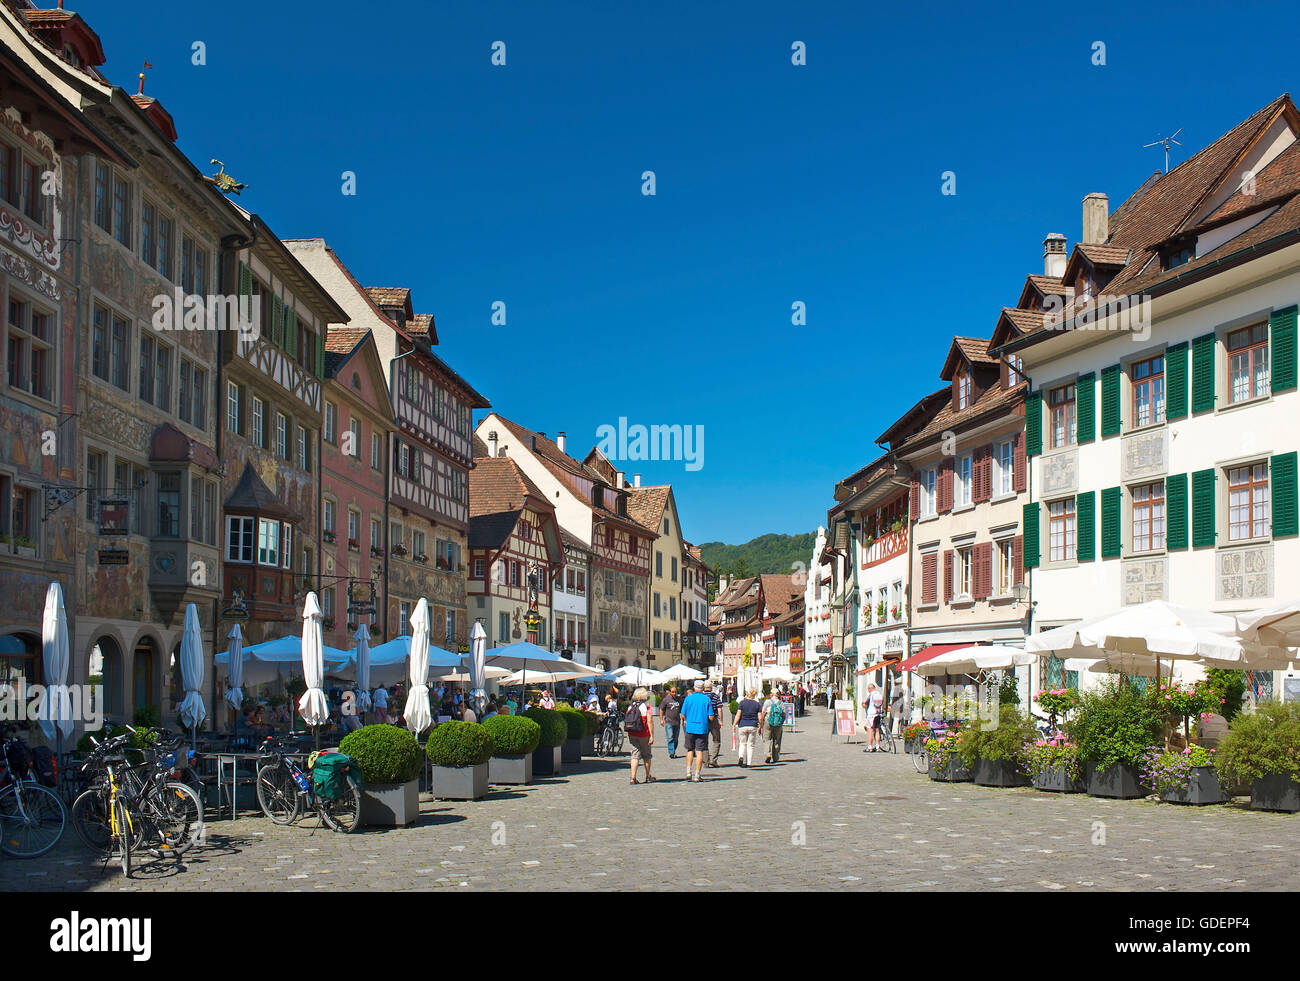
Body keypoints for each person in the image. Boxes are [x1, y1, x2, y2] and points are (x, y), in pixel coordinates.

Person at [680, 680, 714, 782]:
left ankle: (688, 772)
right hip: (702, 728)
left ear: (694, 687)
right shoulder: (706, 699)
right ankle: (697, 775)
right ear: (703, 688)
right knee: (699, 751)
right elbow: (711, 717)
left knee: (690, 750)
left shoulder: (688, 698)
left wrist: (686, 719)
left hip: (690, 727)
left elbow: (682, 714)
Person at [626, 688, 655, 784]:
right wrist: (651, 735)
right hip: (643, 733)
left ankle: (633, 777)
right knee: (646, 755)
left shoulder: (630, 706)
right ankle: (647, 776)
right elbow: (649, 721)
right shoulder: (646, 706)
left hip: (632, 733)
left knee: (634, 755)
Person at [732, 687, 763, 767]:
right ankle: (749, 762)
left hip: (742, 724)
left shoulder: (742, 703)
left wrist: (734, 724)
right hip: (753, 725)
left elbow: (738, 715)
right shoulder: (757, 704)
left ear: (747, 693)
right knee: (751, 744)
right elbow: (760, 717)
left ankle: (741, 756)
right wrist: (761, 726)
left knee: (742, 743)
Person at [762, 688, 786, 764]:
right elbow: (784, 714)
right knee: (777, 740)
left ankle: (767, 754)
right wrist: (781, 722)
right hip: (778, 723)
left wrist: (761, 722)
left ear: (772, 694)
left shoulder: (767, 702)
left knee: (767, 738)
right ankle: (775, 757)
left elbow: (763, 712)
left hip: (768, 721)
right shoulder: (781, 703)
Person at [659, 685, 682, 759]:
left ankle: (673, 750)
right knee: (670, 737)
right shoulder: (666, 699)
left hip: (677, 721)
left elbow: (682, 709)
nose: (674, 693)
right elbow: (661, 709)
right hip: (668, 721)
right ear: (670, 692)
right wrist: (661, 719)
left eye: (675, 692)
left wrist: (684, 718)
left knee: (675, 738)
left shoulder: (679, 699)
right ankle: (671, 752)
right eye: (673, 692)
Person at [705, 681, 724, 767]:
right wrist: (721, 720)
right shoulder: (716, 697)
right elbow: (719, 709)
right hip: (714, 720)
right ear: (711, 687)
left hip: (703, 720)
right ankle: (713, 759)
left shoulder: (702, 696)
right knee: (716, 740)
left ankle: (705, 761)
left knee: (704, 741)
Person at [864, 682, 884, 752]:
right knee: (877, 730)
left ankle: (870, 747)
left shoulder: (871, 695)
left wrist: (863, 705)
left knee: (870, 731)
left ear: (871, 688)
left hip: (871, 715)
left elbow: (865, 704)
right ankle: (877, 746)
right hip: (878, 714)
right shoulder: (879, 694)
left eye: (868, 688)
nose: (868, 690)